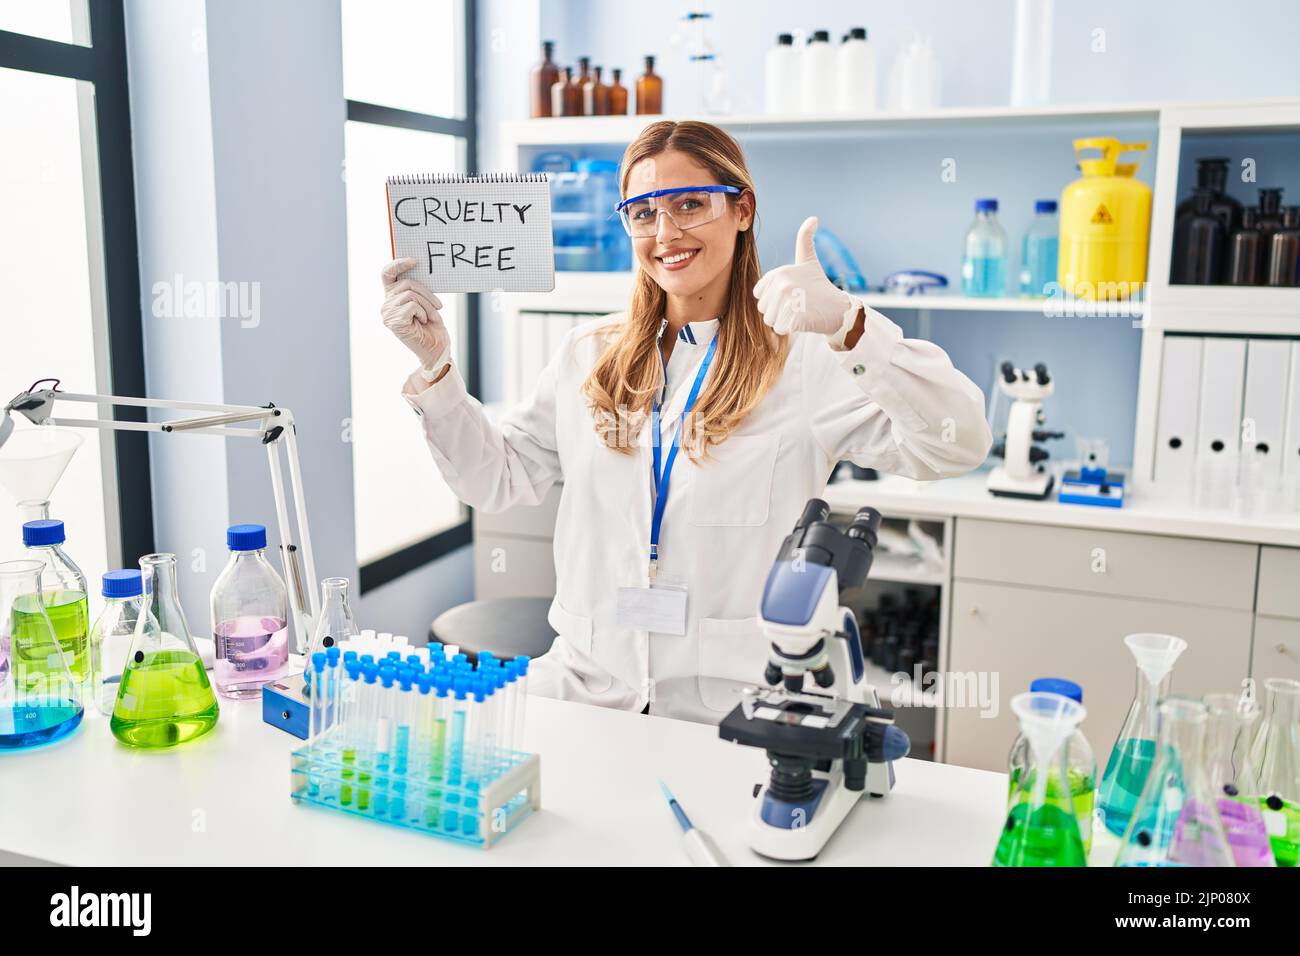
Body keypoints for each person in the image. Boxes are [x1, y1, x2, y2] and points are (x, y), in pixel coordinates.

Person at [381, 120, 991, 722]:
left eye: (690, 204)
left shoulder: (804, 360)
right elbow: (495, 479)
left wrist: (850, 326)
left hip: (732, 712)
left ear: (742, 209)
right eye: (643, 213)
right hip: (588, 693)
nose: (665, 232)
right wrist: (436, 363)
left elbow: (955, 446)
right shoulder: (587, 356)